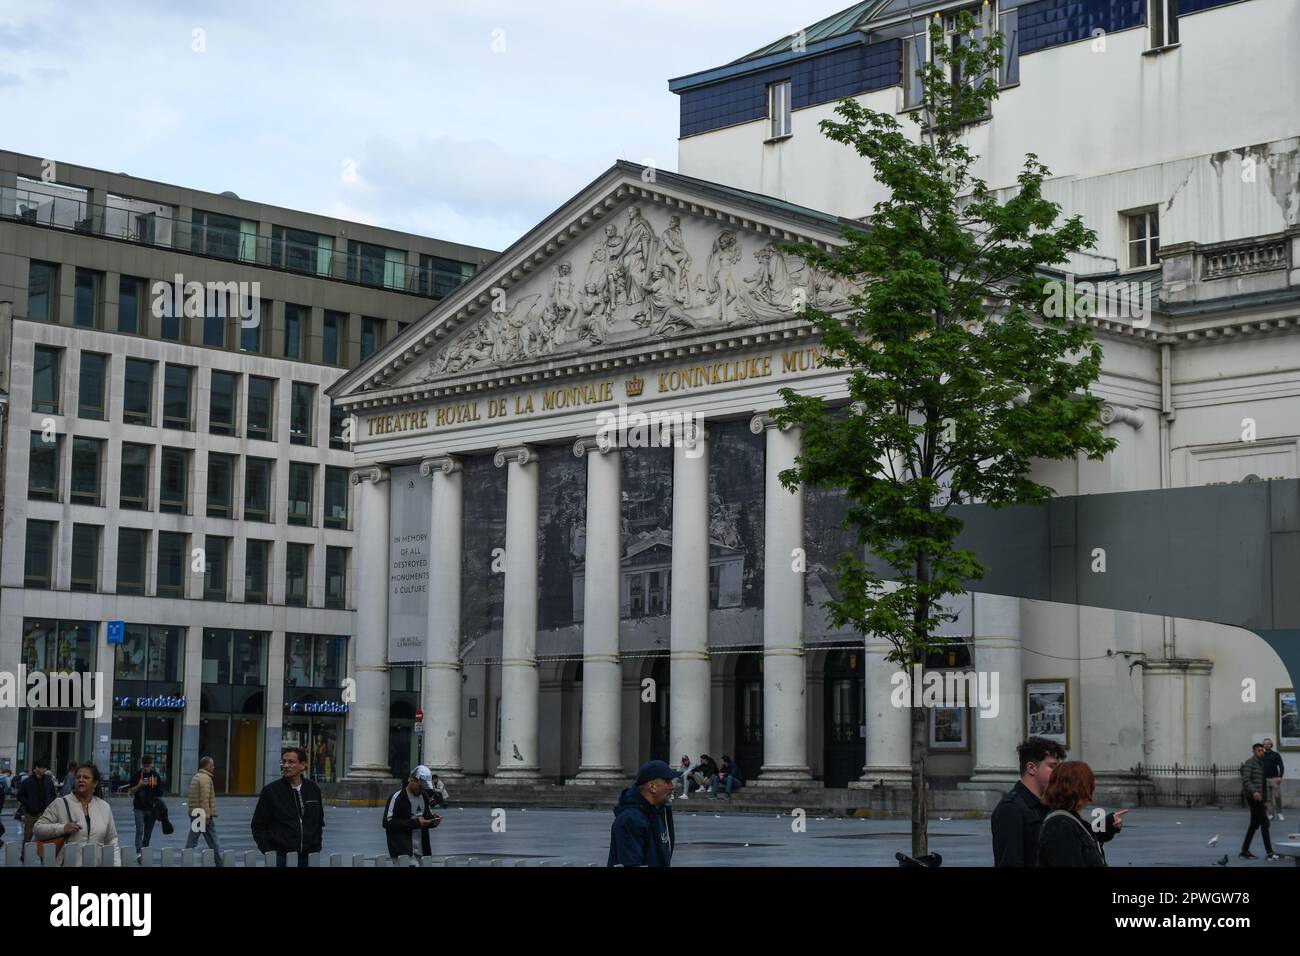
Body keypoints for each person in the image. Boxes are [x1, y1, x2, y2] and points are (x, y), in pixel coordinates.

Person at [991, 736, 1066, 866]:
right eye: (1052, 767)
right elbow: (1010, 860)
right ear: (1031, 768)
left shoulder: (1051, 805)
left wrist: (1108, 824)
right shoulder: (1011, 808)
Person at [1037, 761, 1127, 866]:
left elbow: (1081, 840)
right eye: (1090, 784)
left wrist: (1106, 824)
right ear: (1079, 788)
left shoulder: (1066, 818)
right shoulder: (1060, 825)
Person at [32, 763, 120, 865]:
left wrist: (116, 864)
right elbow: (38, 829)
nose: (81, 780)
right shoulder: (60, 803)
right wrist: (62, 828)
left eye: (86, 777)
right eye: (78, 777)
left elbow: (112, 840)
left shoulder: (104, 807)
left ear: (95, 783)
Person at [251, 747, 325, 867]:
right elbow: (258, 825)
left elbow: (319, 821)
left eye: (291, 762)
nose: (286, 765)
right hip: (280, 857)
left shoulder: (313, 789)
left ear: (302, 765)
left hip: (309, 856)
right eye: (284, 762)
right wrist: (268, 850)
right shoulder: (271, 791)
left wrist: (316, 845)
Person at [608, 760, 678, 867]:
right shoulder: (630, 820)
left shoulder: (659, 812)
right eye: (667, 781)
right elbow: (631, 863)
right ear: (652, 786)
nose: (672, 787)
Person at [383, 765, 442, 863]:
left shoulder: (423, 797)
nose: (421, 789)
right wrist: (415, 823)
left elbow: (426, 818)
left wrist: (433, 821)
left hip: (422, 852)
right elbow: (388, 822)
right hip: (403, 852)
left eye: (424, 787)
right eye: (420, 786)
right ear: (412, 780)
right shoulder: (397, 797)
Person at [1240, 742, 1282, 860]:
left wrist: (1264, 802)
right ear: (1253, 751)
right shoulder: (1250, 763)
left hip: (1259, 798)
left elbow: (1263, 785)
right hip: (1252, 797)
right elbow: (1246, 780)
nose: (1261, 752)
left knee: (1254, 824)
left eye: (1262, 750)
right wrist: (1254, 792)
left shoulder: (1261, 764)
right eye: (1259, 750)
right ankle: (1269, 852)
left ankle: (1244, 851)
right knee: (1265, 823)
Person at [184, 756, 223, 865]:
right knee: (213, 841)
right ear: (207, 766)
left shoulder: (197, 776)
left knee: (193, 840)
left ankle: (185, 860)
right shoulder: (205, 779)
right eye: (212, 765)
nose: (213, 767)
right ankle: (219, 863)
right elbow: (204, 798)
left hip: (196, 813)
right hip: (202, 815)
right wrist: (206, 816)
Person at [16, 758, 57, 847]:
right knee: (28, 837)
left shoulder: (48, 780)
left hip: (45, 814)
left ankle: (43, 857)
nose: (44, 770)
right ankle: (24, 856)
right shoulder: (28, 781)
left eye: (45, 768)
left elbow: (53, 795)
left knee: (45, 836)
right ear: (36, 768)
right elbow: (20, 796)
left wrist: (48, 804)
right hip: (31, 814)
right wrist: (29, 804)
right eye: (42, 768)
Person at [128, 754, 162, 858]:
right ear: (142, 765)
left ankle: (144, 850)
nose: (147, 768)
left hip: (151, 808)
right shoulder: (137, 775)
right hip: (138, 807)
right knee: (139, 830)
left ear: (152, 764)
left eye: (149, 766)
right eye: (145, 766)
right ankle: (139, 851)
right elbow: (130, 792)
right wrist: (139, 785)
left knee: (148, 832)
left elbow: (160, 792)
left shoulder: (155, 776)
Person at [1261, 738, 1285, 822]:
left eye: (1268, 744)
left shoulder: (1276, 755)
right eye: (1265, 744)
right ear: (1263, 745)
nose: (1266, 745)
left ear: (1271, 745)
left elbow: (1281, 766)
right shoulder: (1261, 755)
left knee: (1277, 796)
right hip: (1265, 779)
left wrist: (1280, 776)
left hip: (1275, 779)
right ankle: (1270, 814)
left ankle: (1279, 813)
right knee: (1268, 798)